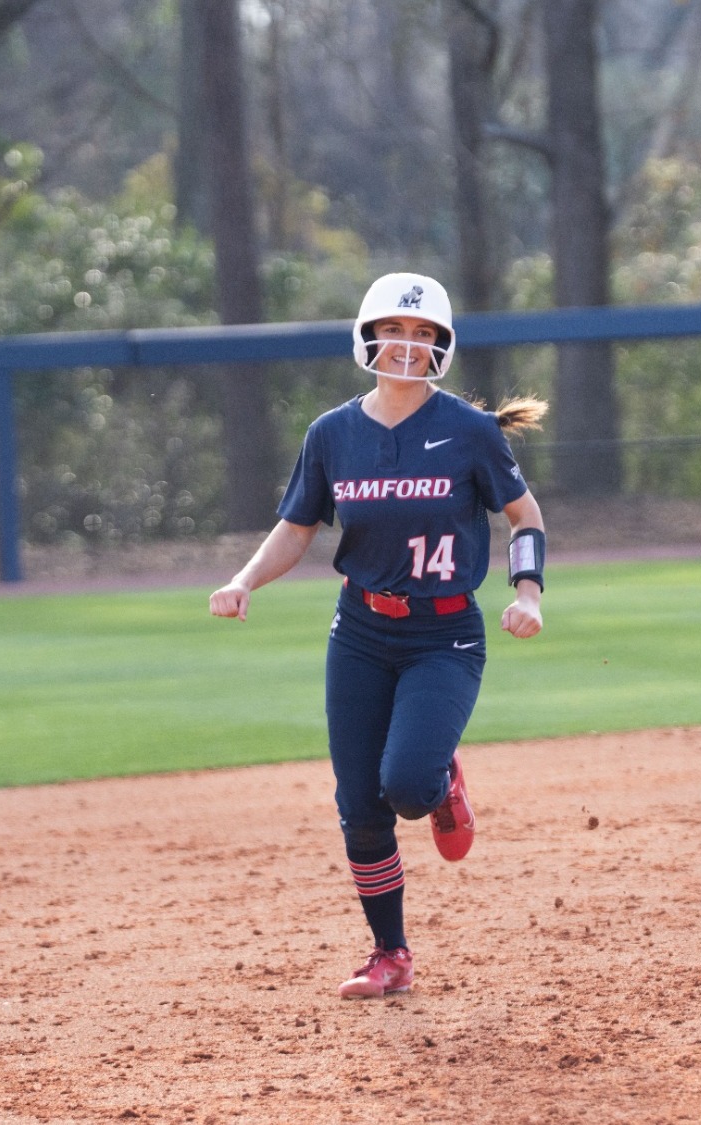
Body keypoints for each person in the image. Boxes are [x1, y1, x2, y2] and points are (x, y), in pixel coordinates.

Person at [208, 272, 548, 999]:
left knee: (408, 787)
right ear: (368, 337)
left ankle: (442, 779)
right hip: (359, 631)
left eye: (423, 334)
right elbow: (297, 526)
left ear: (442, 347)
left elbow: (525, 516)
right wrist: (244, 580)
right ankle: (390, 954)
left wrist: (528, 591)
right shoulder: (331, 434)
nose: (407, 345)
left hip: (444, 633)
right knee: (360, 804)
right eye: (394, 329)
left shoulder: (471, 432)